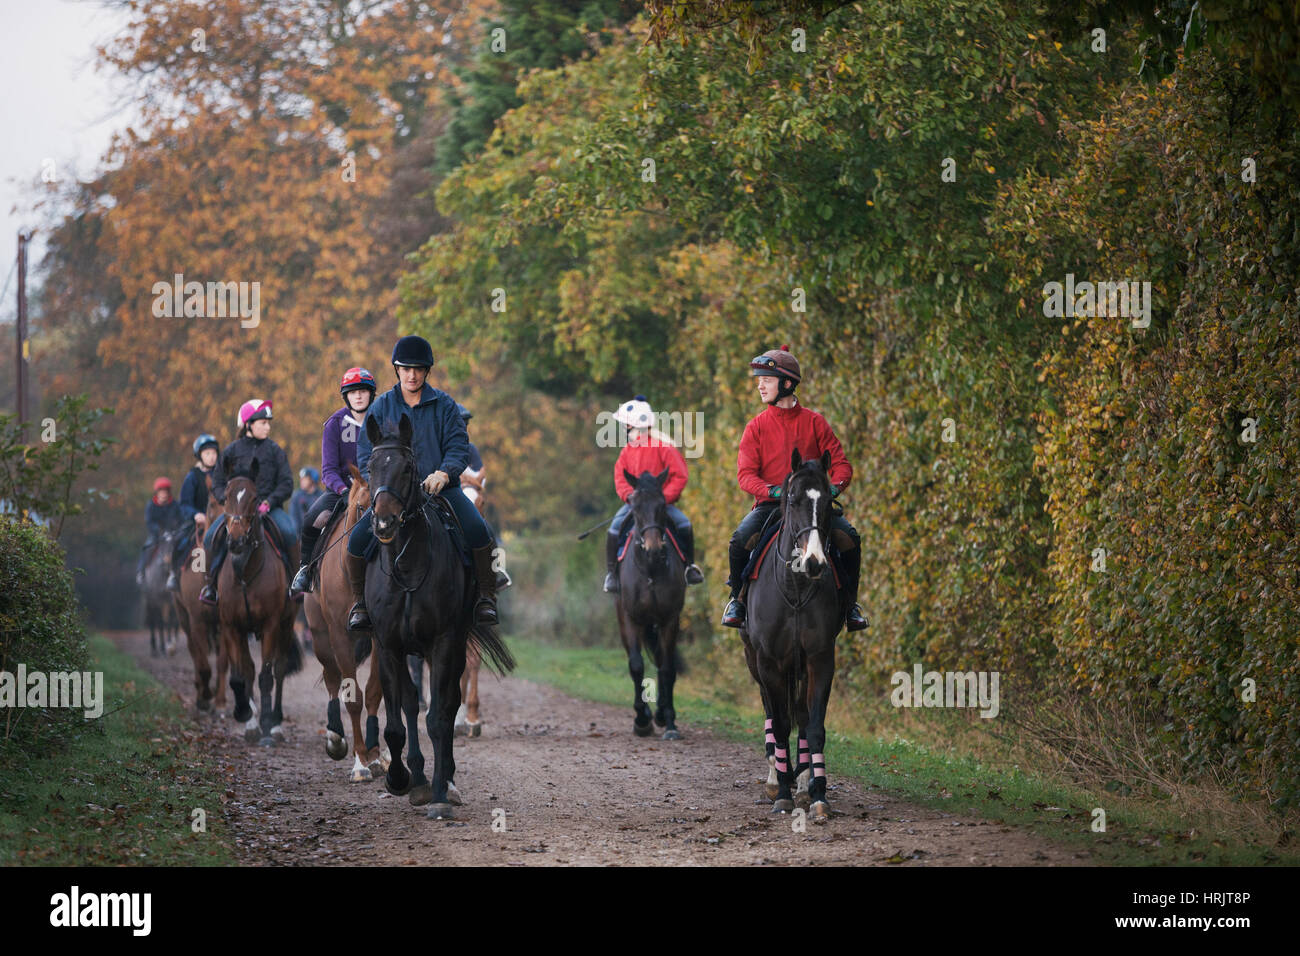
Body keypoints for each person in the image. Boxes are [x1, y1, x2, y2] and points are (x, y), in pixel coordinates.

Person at [344, 335, 499, 631]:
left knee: (480, 530)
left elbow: (458, 447)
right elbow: (366, 453)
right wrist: (380, 483)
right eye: (405, 369)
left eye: (417, 369)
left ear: (427, 370)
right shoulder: (381, 407)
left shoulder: (445, 405)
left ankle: (485, 598)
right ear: (397, 370)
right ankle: (359, 604)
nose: (411, 375)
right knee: (355, 541)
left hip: (440, 491)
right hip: (393, 495)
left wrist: (444, 472)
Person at [720, 346, 868, 631]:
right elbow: (746, 475)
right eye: (759, 380)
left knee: (850, 538)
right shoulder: (755, 427)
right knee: (739, 540)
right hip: (771, 505)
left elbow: (842, 466)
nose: (759, 385)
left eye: (766, 379)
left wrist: (831, 491)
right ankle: (737, 600)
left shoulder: (815, 422)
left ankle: (850, 606)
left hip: (813, 506)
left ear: (786, 383)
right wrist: (774, 492)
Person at [198, 399, 297, 605]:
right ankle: (210, 586)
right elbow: (217, 482)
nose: (267, 427)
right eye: (263, 422)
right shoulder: (231, 451)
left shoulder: (275, 451)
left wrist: (269, 502)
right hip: (237, 513)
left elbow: (287, 483)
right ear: (248, 424)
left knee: (290, 533)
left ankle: (295, 584)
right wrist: (226, 501)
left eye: (268, 423)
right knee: (209, 538)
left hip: (269, 509)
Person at [602, 395, 704, 592]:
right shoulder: (626, 452)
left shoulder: (664, 448)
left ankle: (689, 567)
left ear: (635, 426)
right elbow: (620, 478)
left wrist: (663, 498)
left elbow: (679, 476)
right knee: (614, 529)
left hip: (661, 505)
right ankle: (612, 574)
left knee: (684, 525)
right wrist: (629, 497)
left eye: (626, 425)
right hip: (635, 504)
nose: (624, 429)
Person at [289, 367, 377, 595]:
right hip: (342, 491)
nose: (358, 395)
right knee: (310, 520)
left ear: (371, 394)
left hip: (378, 491)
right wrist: (344, 491)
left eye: (363, 391)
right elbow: (328, 470)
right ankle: (305, 570)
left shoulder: (381, 420)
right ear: (346, 396)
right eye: (353, 391)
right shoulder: (334, 424)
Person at [456, 402, 511, 590]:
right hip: (445, 492)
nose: (463, 428)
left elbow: (482, 478)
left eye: (465, 424)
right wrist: (468, 478)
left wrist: (466, 480)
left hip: (467, 492)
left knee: (486, 528)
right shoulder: (440, 446)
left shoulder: (471, 449)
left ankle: (493, 573)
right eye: (459, 423)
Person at [167, 433, 219, 591]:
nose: (211, 457)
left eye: (214, 453)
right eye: (207, 453)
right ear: (200, 456)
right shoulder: (192, 477)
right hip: (198, 521)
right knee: (180, 541)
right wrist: (195, 515)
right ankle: (174, 575)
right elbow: (184, 504)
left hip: (220, 520)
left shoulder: (221, 475)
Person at [136, 477, 182, 586]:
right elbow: (149, 521)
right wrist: (158, 531)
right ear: (157, 492)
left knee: (182, 547)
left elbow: (180, 520)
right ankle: (141, 572)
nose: (164, 494)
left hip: (172, 534)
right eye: (161, 491)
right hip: (157, 534)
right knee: (147, 547)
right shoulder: (151, 505)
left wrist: (174, 531)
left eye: (166, 491)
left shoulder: (175, 505)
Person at [289, 467, 323, 535]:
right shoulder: (296, 496)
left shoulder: (322, 496)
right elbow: (294, 519)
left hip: (318, 535)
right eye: (301, 478)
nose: (301, 480)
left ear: (312, 480)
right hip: (300, 535)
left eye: (305, 478)